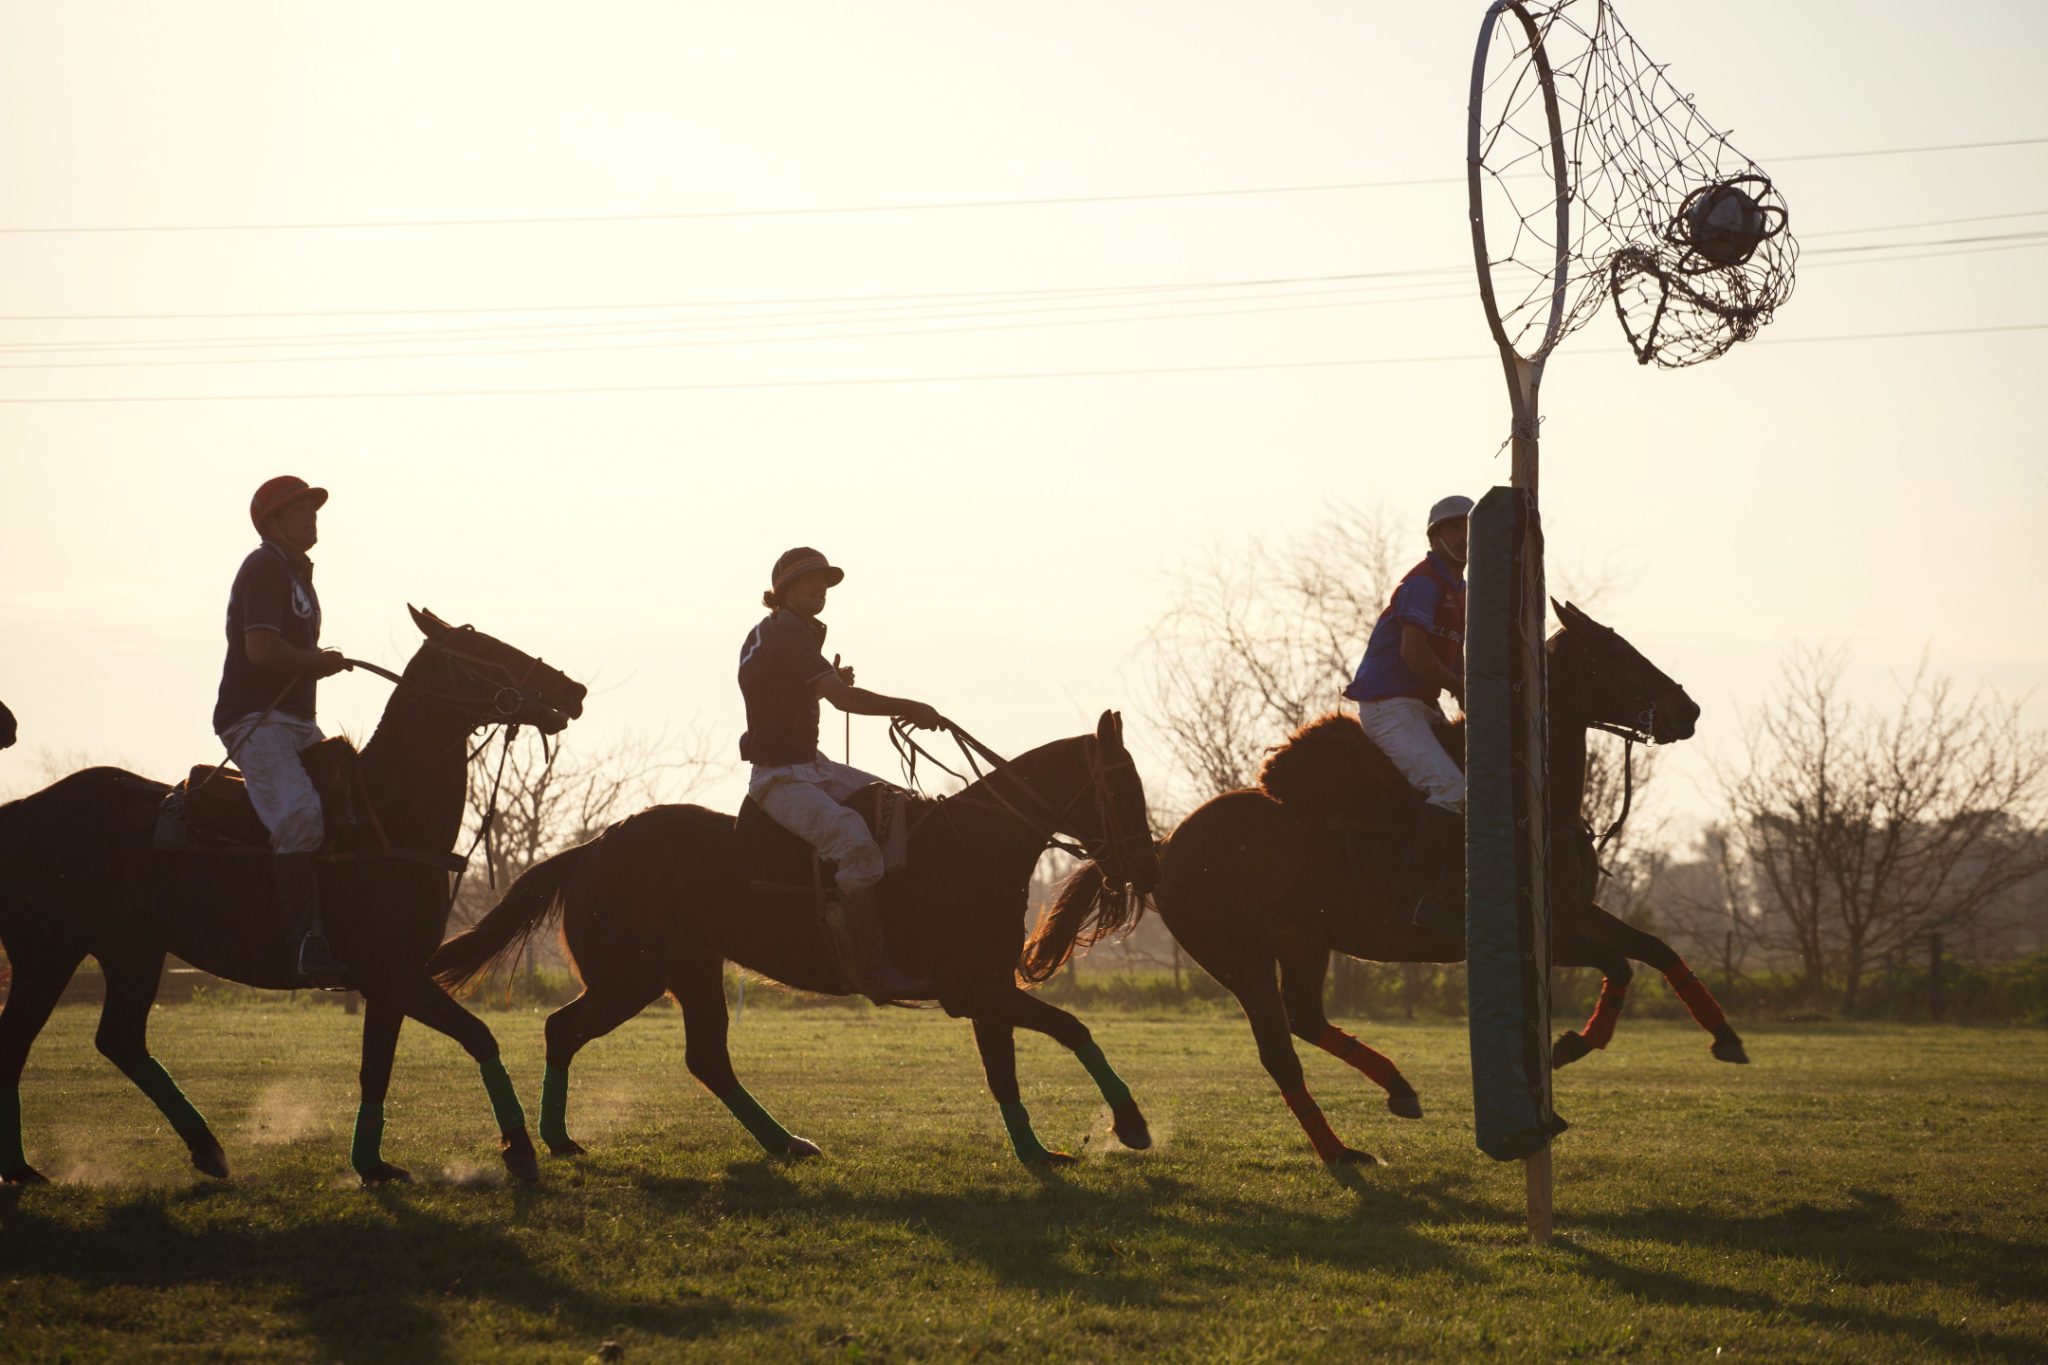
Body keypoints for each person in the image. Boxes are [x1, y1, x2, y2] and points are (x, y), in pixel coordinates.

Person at [738, 547, 945, 1001]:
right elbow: (840, 700)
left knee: (899, 801)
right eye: (812, 581)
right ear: (785, 590)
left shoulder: (784, 633)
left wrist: (826, 677)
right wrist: (910, 707)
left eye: (825, 583)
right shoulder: (787, 631)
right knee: (856, 844)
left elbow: (786, 688)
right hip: (779, 780)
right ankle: (872, 972)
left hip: (813, 768)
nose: (822, 589)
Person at [214, 475, 352, 985]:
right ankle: (301, 944)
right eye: (302, 508)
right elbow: (261, 651)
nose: (313, 514)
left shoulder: (297, 574)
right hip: (256, 719)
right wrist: (318, 663)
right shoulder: (264, 567)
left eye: (314, 507)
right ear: (273, 521)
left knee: (351, 804)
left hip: (297, 722)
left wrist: (317, 663)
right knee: (299, 813)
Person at [1343, 495, 1472, 928]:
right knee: (1453, 791)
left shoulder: (1462, 590)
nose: (1464, 536)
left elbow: (1455, 658)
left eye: (1470, 528)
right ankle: (1416, 899)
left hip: (1418, 706)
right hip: (1389, 707)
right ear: (1435, 537)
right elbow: (1414, 654)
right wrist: (1460, 688)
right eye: (1454, 528)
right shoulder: (1423, 584)